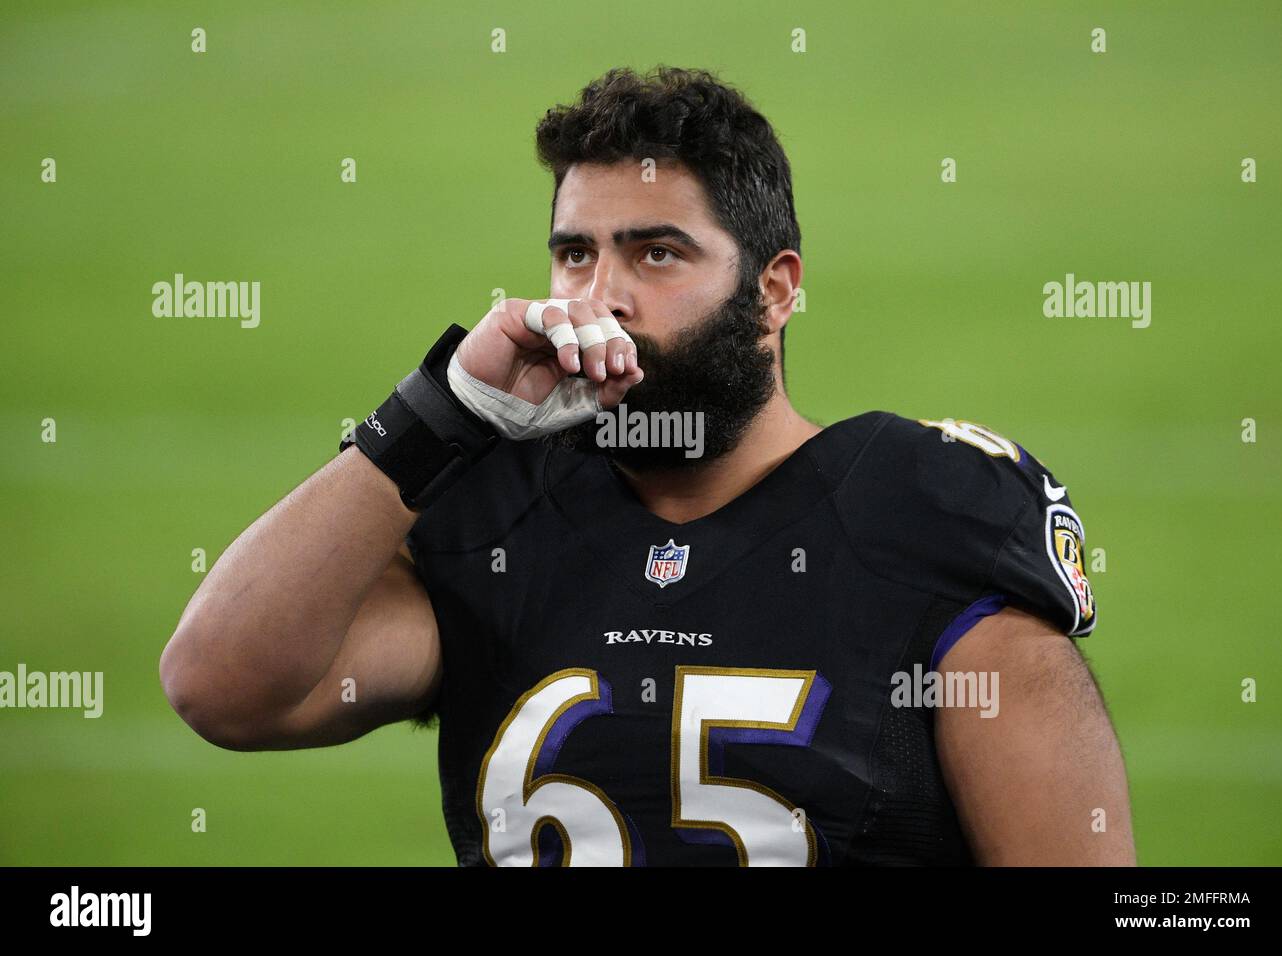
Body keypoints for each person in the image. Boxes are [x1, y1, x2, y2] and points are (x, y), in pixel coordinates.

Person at [161, 66, 1135, 866]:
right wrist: (438, 415)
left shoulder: (925, 514)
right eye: (573, 254)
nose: (601, 295)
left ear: (774, 288)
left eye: (657, 253)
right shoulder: (496, 511)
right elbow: (222, 687)